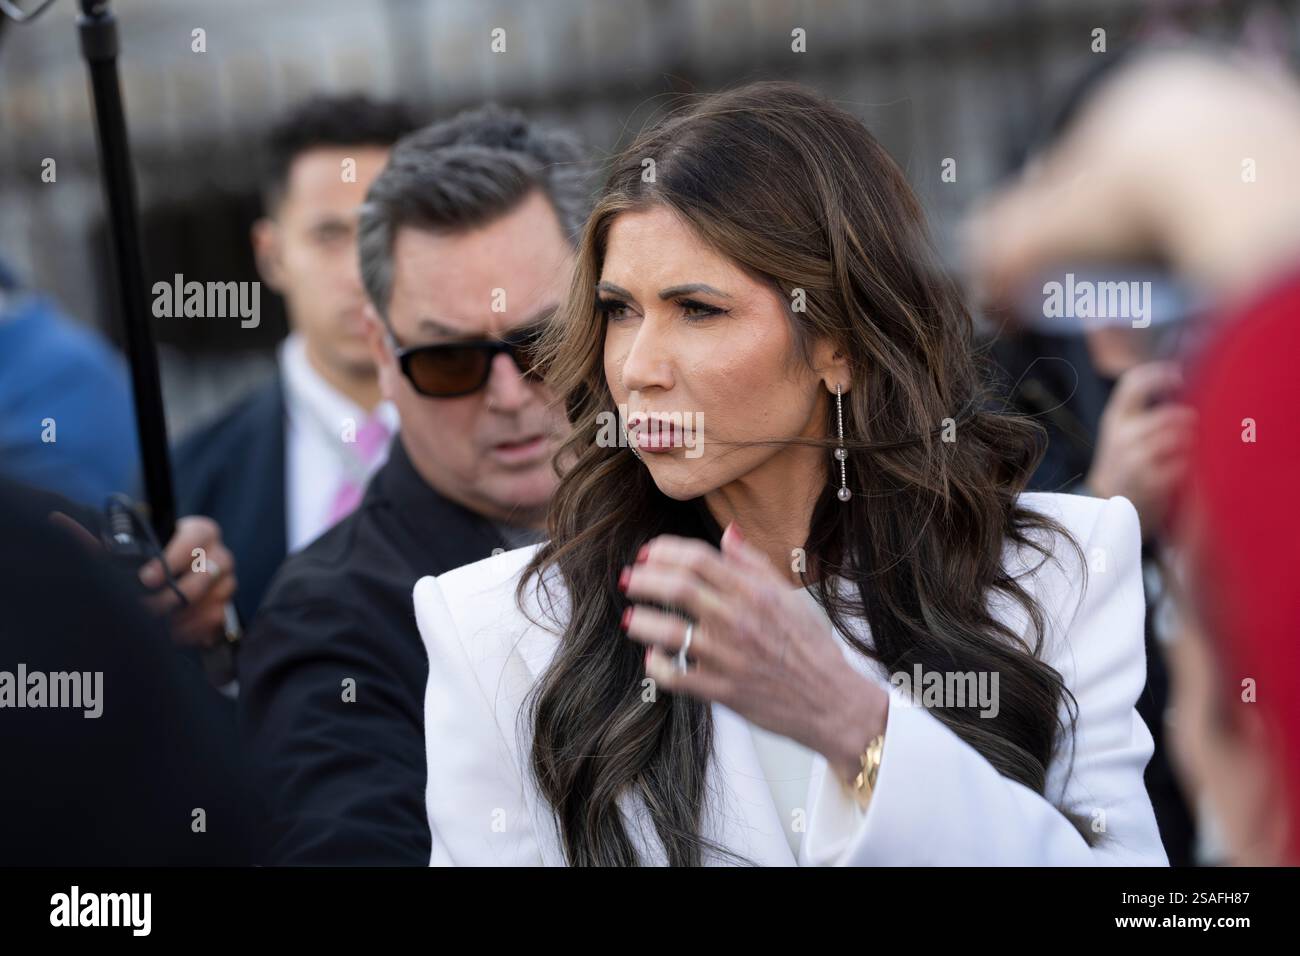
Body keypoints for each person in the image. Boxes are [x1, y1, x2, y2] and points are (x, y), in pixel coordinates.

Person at [412, 81, 1167, 866]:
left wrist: (856, 730)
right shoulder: (495, 629)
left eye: (697, 310)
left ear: (840, 343)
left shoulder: (1060, 572)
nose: (637, 368)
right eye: (619, 310)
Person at [237, 105, 586, 865]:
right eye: (450, 361)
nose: (508, 395)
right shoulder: (329, 622)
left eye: (545, 342)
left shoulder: (709, 514)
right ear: (382, 352)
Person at [173, 94, 416, 625]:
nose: (360, 274)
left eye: (384, 233)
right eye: (329, 235)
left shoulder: (513, 439)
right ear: (271, 254)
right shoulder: (190, 478)